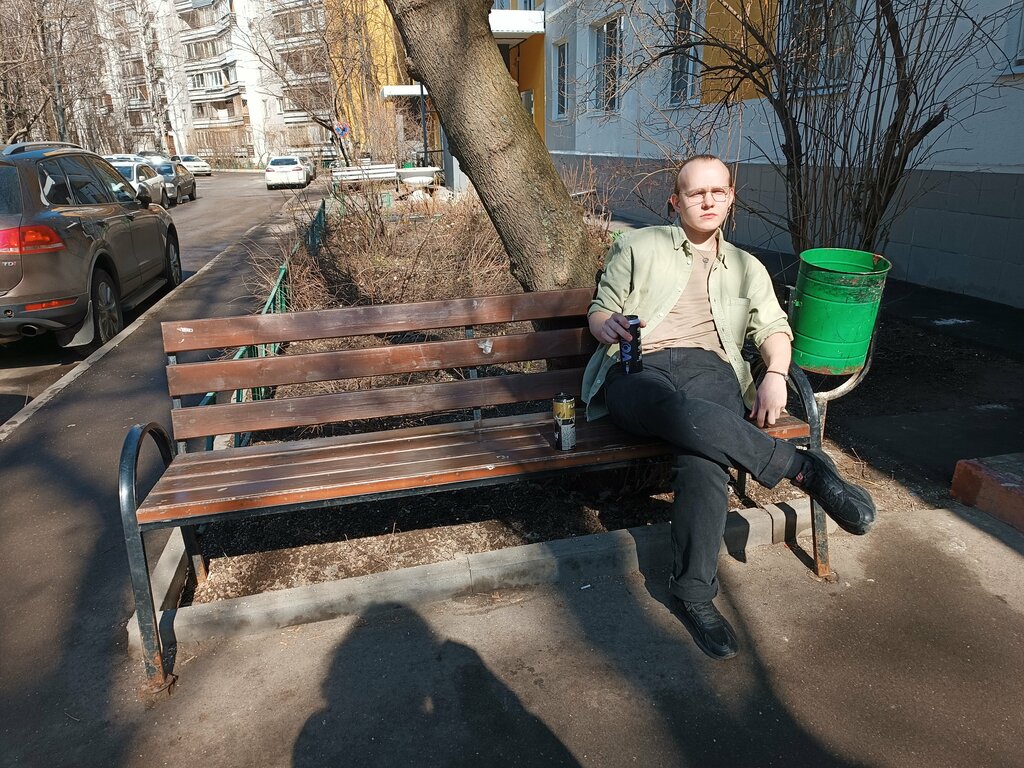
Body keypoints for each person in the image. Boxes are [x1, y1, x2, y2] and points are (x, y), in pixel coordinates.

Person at [581, 155, 875, 660]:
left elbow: (773, 331)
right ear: (676, 201)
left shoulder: (746, 267)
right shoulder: (639, 245)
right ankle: (802, 470)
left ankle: (694, 594)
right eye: (697, 193)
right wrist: (605, 323)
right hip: (638, 371)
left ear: (732, 197)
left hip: (709, 371)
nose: (709, 200)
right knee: (669, 409)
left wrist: (776, 376)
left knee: (704, 461)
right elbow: (601, 306)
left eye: (719, 191)